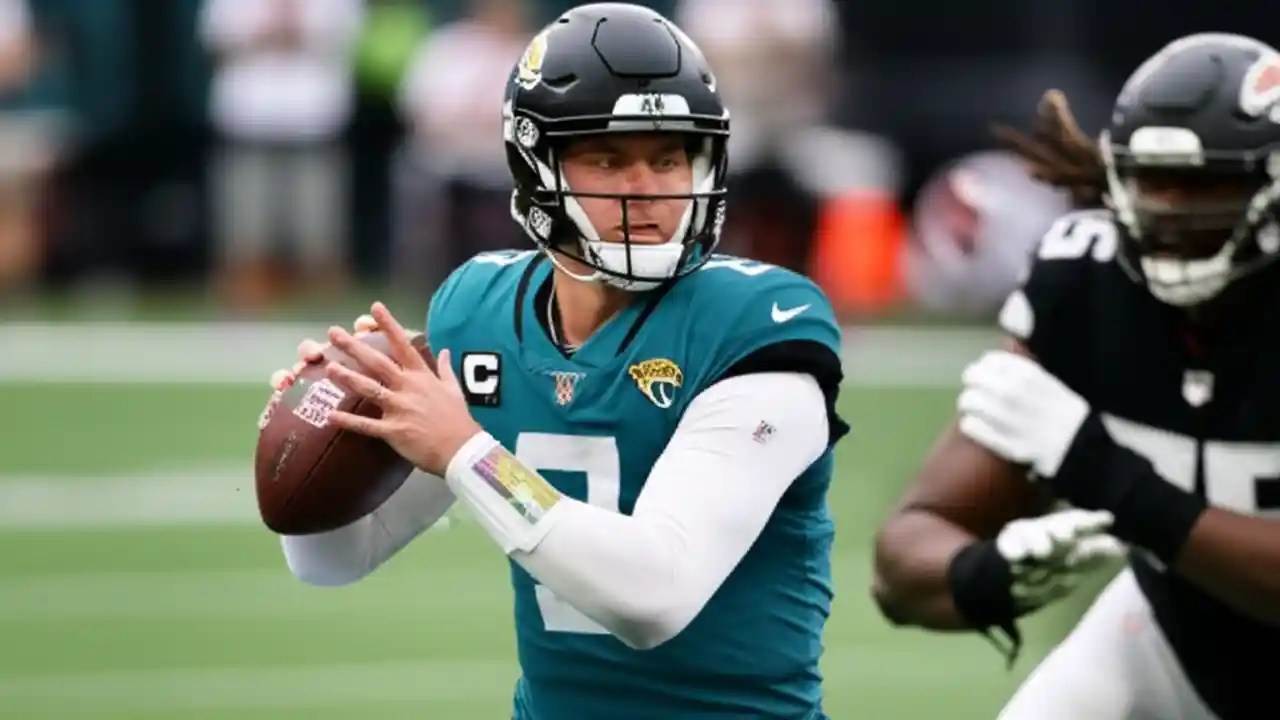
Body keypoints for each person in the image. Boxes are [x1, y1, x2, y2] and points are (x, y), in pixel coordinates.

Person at [260, 4, 849, 718]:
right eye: (609, 158)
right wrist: (322, 430)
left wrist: (467, 452)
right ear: (535, 165)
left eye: (668, 157)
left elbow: (655, 595)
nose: (648, 188)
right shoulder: (480, 313)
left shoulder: (760, 327)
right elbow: (335, 562)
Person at [872, 33, 1280, 719]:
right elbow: (906, 558)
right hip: (1177, 638)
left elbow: (1109, 482)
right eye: (1153, 180)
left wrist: (1111, 480)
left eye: (1211, 183)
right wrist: (990, 575)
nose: (1173, 211)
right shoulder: (1087, 286)